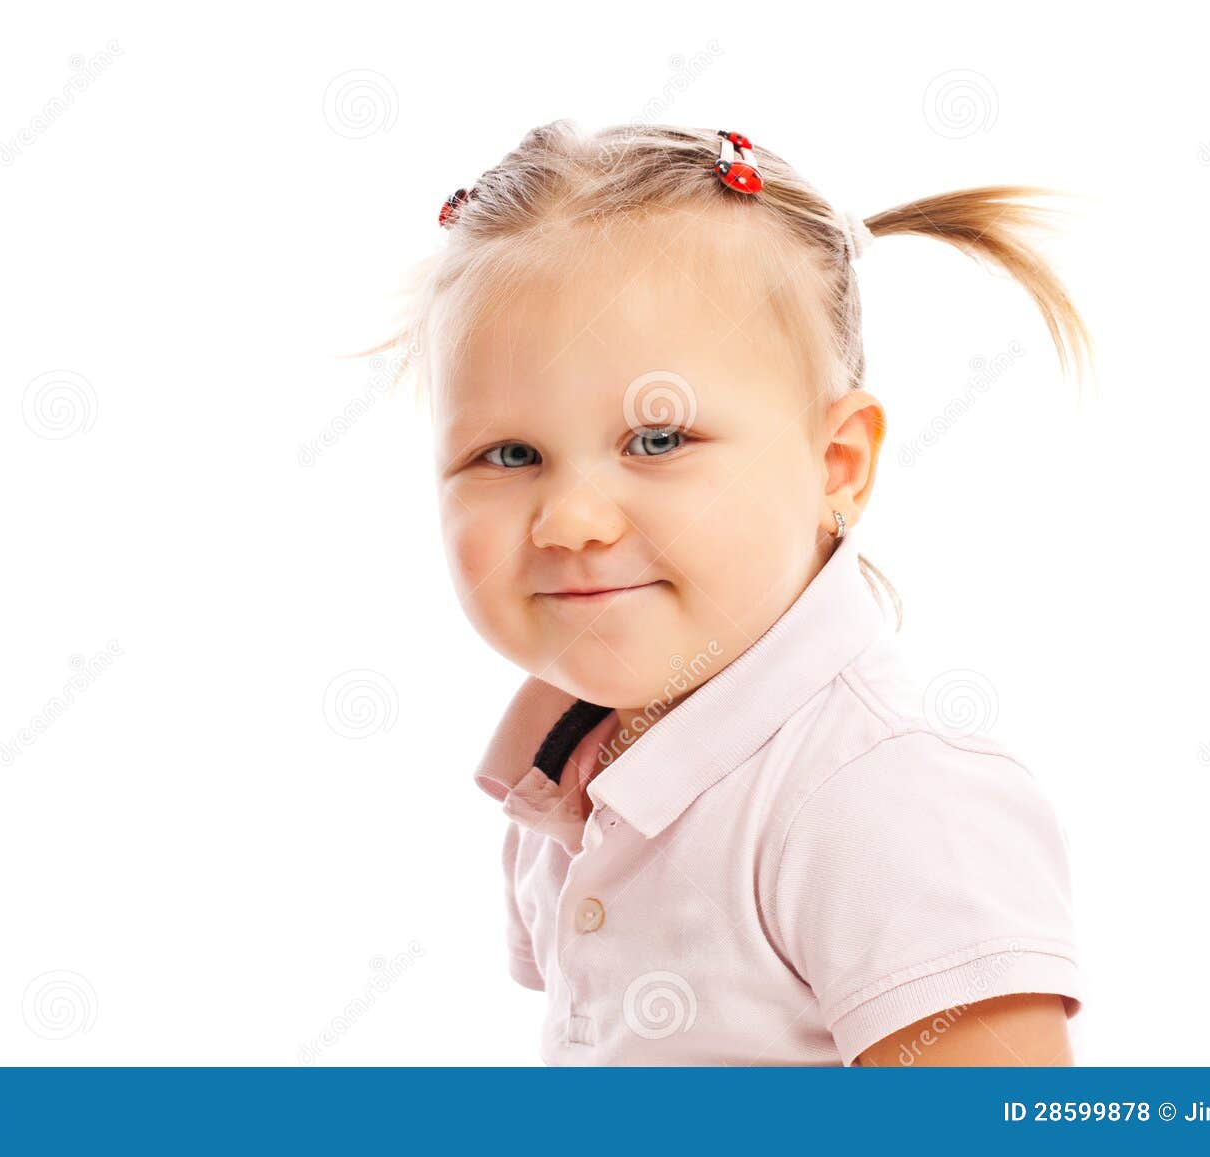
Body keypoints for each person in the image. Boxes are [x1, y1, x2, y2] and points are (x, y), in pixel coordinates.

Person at [363, 120, 1091, 1066]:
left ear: (836, 465)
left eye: (658, 440)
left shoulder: (882, 802)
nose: (570, 520)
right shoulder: (558, 774)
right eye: (510, 454)